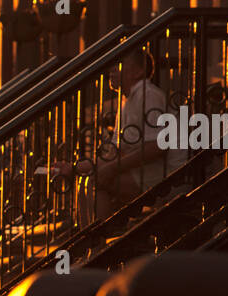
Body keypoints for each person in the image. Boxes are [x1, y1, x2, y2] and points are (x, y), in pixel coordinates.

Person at [54, 48, 171, 220]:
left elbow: (157, 146)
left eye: (120, 64)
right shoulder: (127, 101)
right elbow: (112, 155)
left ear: (138, 71)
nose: (113, 69)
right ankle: (91, 239)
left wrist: (113, 168)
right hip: (141, 171)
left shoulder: (148, 95)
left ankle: (96, 242)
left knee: (96, 181)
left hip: (163, 173)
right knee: (87, 178)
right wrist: (73, 168)